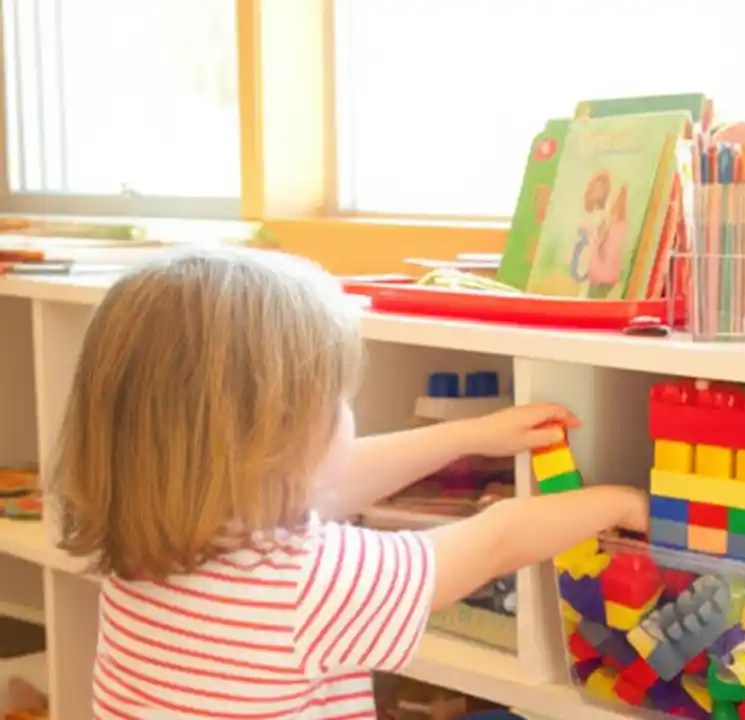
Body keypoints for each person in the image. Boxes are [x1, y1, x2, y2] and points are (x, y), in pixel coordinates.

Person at [49, 247, 649, 719]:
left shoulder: (147, 546)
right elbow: (497, 539)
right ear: (273, 435)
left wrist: (469, 436)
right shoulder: (301, 580)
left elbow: (334, 481)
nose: (346, 412)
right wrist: (619, 502)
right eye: (336, 398)